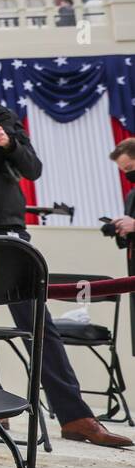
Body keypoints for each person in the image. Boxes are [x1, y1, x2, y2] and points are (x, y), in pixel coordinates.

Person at [0, 56, 131, 447]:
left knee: (39, 325)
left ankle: (76, 416)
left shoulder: (6, 117)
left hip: (11, 231)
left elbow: (33, 169)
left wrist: (9, 143)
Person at [105, 139, 135, 354]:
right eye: (123, 170)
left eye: (130, 168)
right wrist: (119, 228)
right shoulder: (132, 195)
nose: (127, 174)